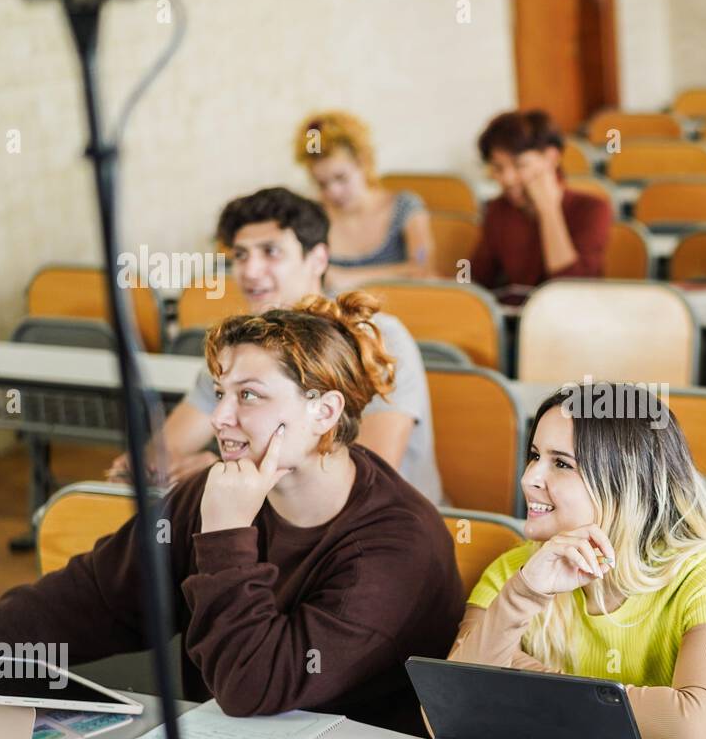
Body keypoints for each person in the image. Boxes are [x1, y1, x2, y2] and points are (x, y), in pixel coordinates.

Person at [0, 293, 464, 736]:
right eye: (220, 392)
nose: (220, 417)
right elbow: (95, 596)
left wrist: (227, 533)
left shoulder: (396, 548)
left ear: (325, 412)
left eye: (248, 395)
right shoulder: (214, 491)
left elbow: (252, 689)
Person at [445, 384, 706, 739]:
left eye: (561, 464)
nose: (530, 478)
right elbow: (446, 714)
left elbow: (688, 730)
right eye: (534, 456)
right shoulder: (517, 572)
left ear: (624, 481)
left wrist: (521, 682)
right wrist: (523, 595)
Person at [110, 187, 444, 503]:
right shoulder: (244, 347)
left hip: (381, 533)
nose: (250, 272)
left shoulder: (377, 337)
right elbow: (167, 450)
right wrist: (143, 471)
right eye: (240, 256)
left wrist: (221, 471)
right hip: (281, 525)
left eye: (270, 252)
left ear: (318, 258)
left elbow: (370, 474)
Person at [468, 110, 611, 301]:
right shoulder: (499, 208)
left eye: (519, 165)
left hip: (572, 321)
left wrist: (549, 210)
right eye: (498, 168)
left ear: (551, 158)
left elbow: (571, 290)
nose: (507, 179)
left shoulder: (592, 209)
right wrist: (443, 282)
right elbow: (478, 279)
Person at [295, 110, 435, 288]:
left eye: (341, 178)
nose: (333, 192)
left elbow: (422, 268)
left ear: (363, 162)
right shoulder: (311, 214)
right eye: (322, 184)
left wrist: (347, 278)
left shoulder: (405, 207)